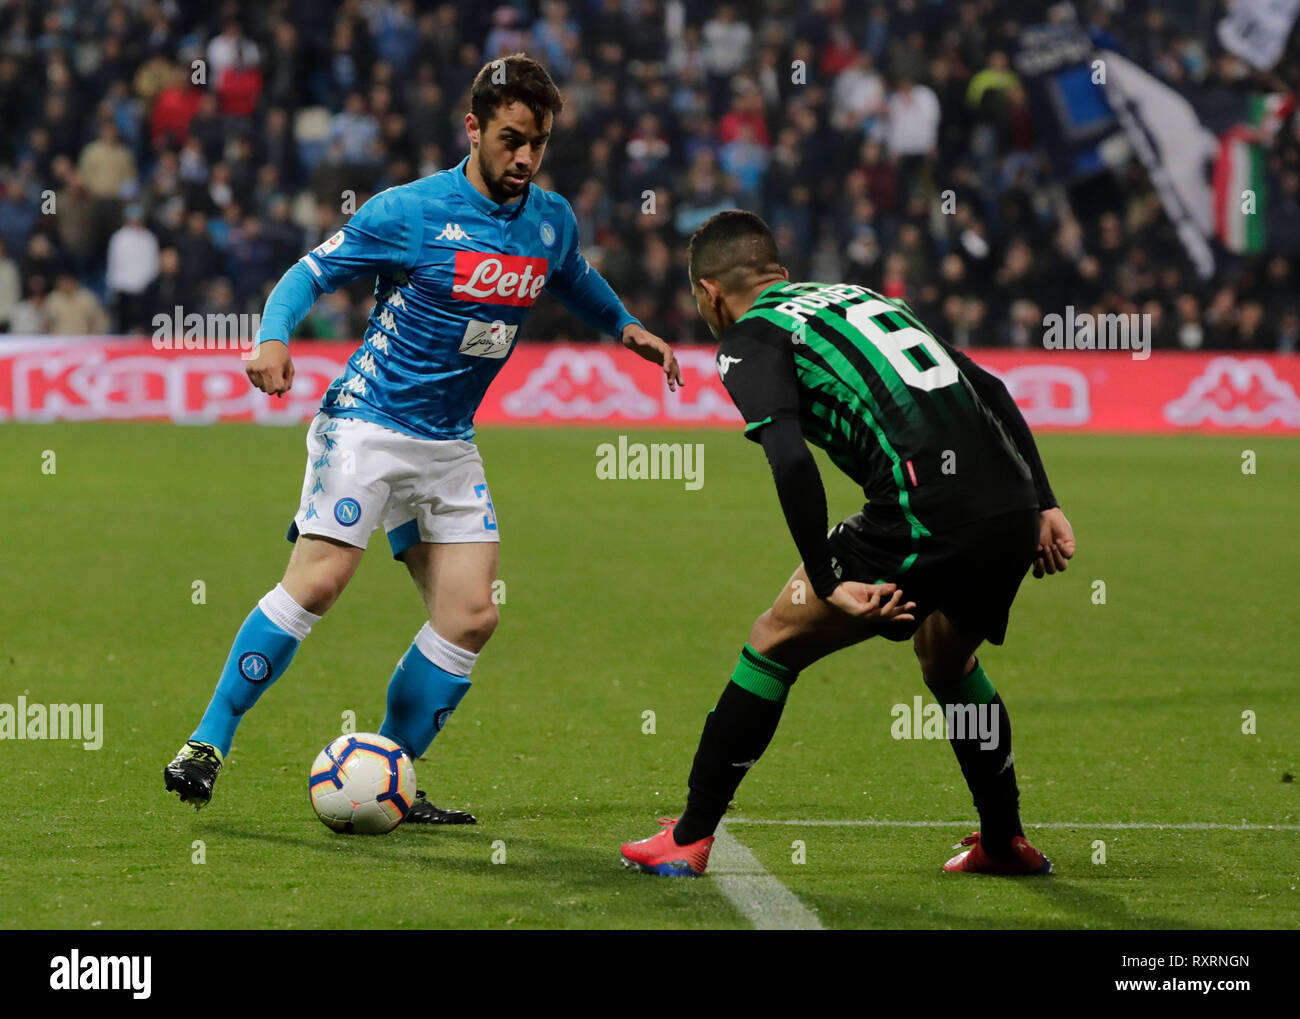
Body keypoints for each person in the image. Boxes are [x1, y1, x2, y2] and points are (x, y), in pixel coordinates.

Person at [165, 54, 681, 823]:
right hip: (368, 425)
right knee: (319, 581)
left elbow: (569, 272)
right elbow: (309, 273)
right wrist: (274, 337)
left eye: (538, 142)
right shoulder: (407, 212)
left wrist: (626, 326)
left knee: (471, 614)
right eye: (511, 139)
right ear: (473, 128)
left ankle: (389, 771)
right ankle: (208, 740)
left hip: (447, 444)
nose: (526, 158)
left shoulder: (549, 217)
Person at [621, 210, 1073, 876]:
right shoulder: (861, 296)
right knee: (946, 658)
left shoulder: (751, 336)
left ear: (710, 293)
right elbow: (992, 387)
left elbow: (790, 459)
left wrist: (828, 579)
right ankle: (1003, 838)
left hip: (925, 511)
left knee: (775, 637)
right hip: (1010, 504)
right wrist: (1045, 499)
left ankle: (689, 836)